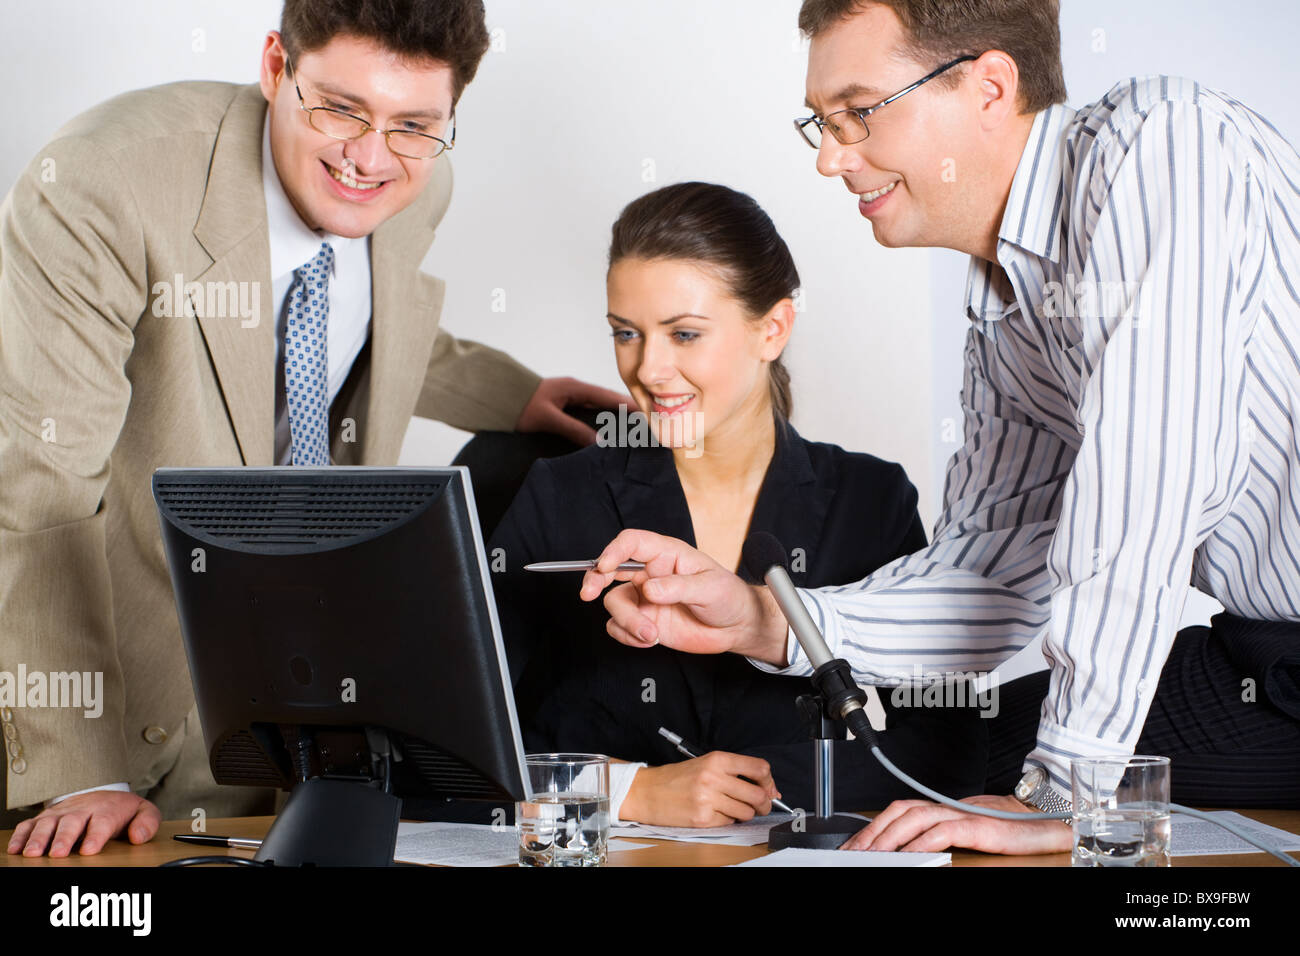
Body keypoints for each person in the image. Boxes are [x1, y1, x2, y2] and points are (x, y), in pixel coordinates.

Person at [581, 0, 1300, 855]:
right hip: (1260, 656)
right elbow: (992, 577)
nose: (828, 157)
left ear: (990, 86)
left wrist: (1066, 797)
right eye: (821, 120)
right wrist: (760, 619)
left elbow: (1147, 486)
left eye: (858, 112)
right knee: (947, 761)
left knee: (1027, 783)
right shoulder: (1007, 313)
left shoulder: (1166, 149)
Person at [1, 0, 626, 858]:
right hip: (103, 732)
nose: (369, 158)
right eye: (338, 108)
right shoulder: (102, 186)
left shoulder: (417, 179)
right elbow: (36, 480)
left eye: (413, 123)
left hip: (296, 743)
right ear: (273, 66)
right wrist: (78, 771)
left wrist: (510, 393)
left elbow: (349, 312)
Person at [488, 182, 988, 827]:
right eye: (626, 334)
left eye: (685, 334)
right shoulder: (559, 494)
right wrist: (630, 790)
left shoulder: (869, 498)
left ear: (772, 328)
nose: (650, 370)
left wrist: (758, 785)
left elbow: (946, 748)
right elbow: (454, 737)